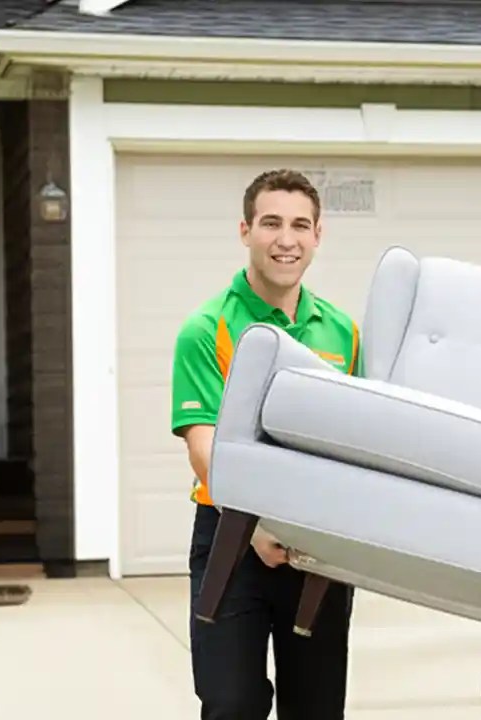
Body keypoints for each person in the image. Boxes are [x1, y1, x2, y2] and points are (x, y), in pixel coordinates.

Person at [170, 169, 361, 720]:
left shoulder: (344, 334)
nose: (286, 239)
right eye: (271, 223)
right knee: (232, 705)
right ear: (245, 230)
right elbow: (205, 449)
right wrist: (256, 527)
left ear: (318, 236)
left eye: (301, 225)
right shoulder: (206, 329)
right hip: (232, 542)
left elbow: (359, 446)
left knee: (317, 709)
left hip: (318, 547)